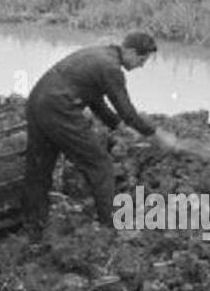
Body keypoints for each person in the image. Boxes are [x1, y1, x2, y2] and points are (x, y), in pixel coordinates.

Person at [21, 30, 177, 235]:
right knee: (100, 165)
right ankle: (110, 225)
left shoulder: (101, 55)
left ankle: (33, 226)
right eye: (142, 59)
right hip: (60, 109)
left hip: (37, 103)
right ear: (129, 51)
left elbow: (95, 100)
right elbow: (128, 112)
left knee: (39, 169)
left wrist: (116, 125)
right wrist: (156, 133)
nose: (141, 65)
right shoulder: (111, 69)